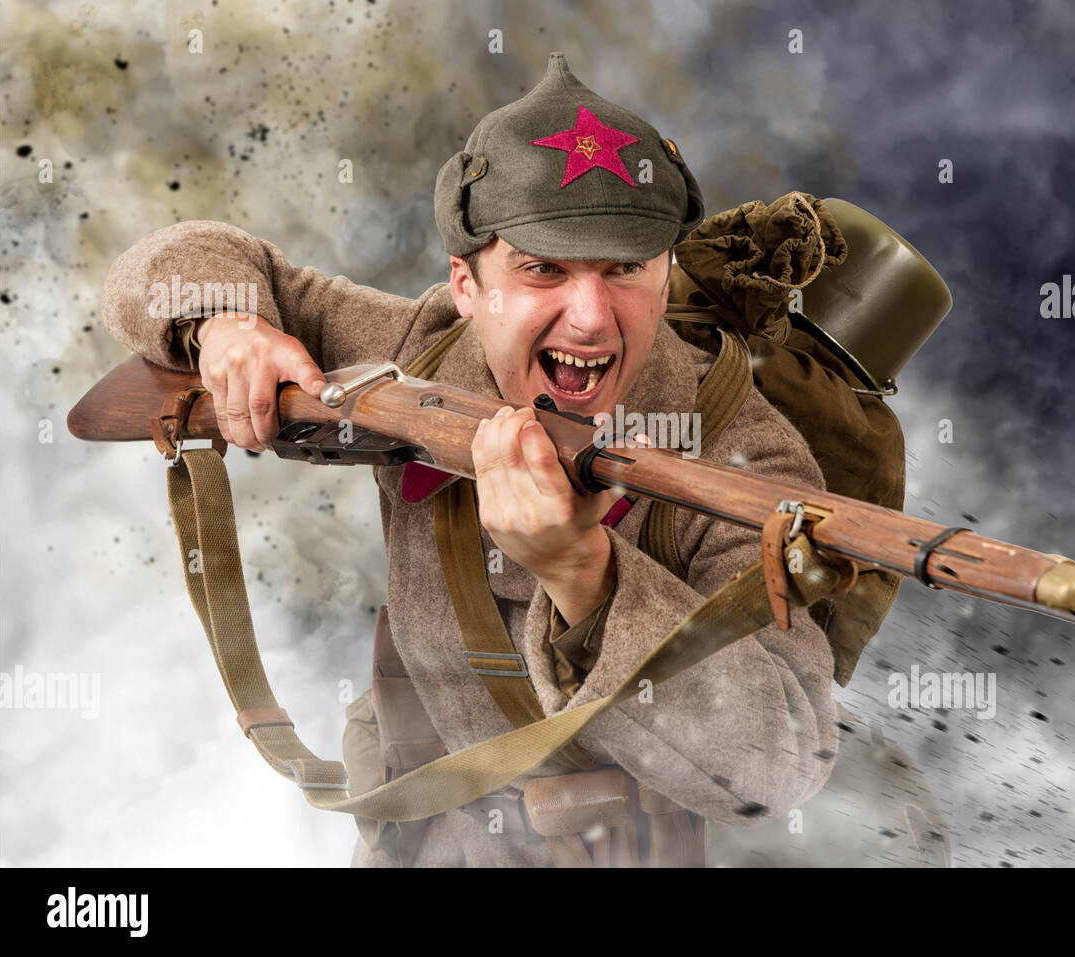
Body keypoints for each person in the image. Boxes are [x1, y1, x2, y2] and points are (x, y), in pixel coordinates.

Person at [102, 52, 857, 866]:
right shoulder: (419, 353)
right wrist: (226, 325)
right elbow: (170, 255)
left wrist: (586, 576)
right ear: (467, 285)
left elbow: (783, 758)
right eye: (543, 270)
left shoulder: (740, 449)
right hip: (416, 837)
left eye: (625, 270)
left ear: (666, 271)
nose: (592, 317)